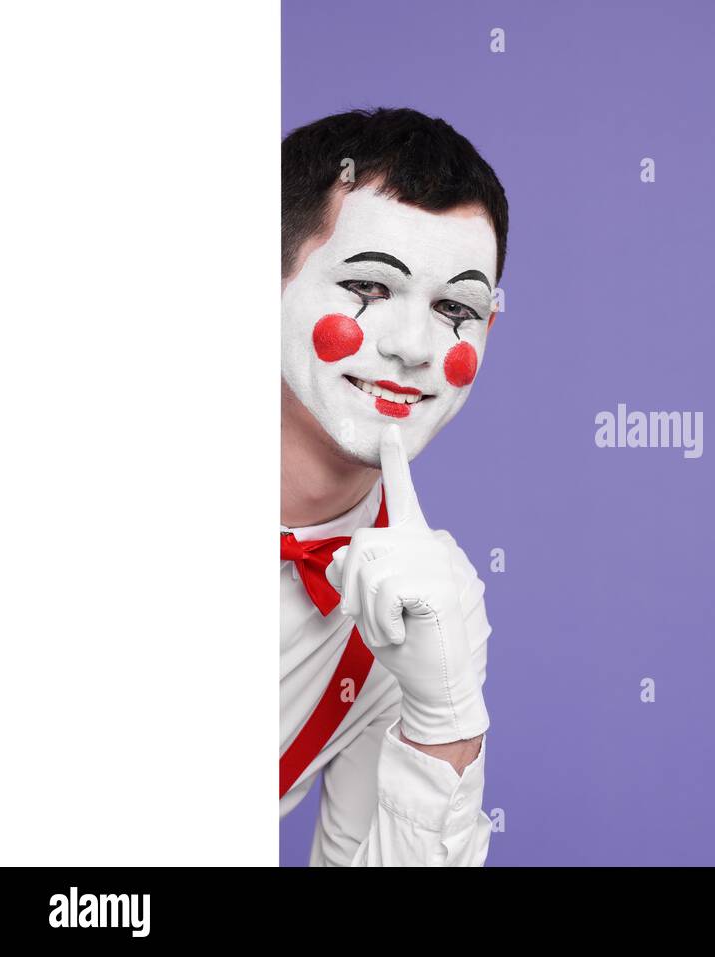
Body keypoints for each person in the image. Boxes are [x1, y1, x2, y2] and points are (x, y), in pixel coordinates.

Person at [279, 108, 507, 866]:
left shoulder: (407, 613)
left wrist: (444, 717)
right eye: (369, 286)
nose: (412, 346)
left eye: (455, 308)